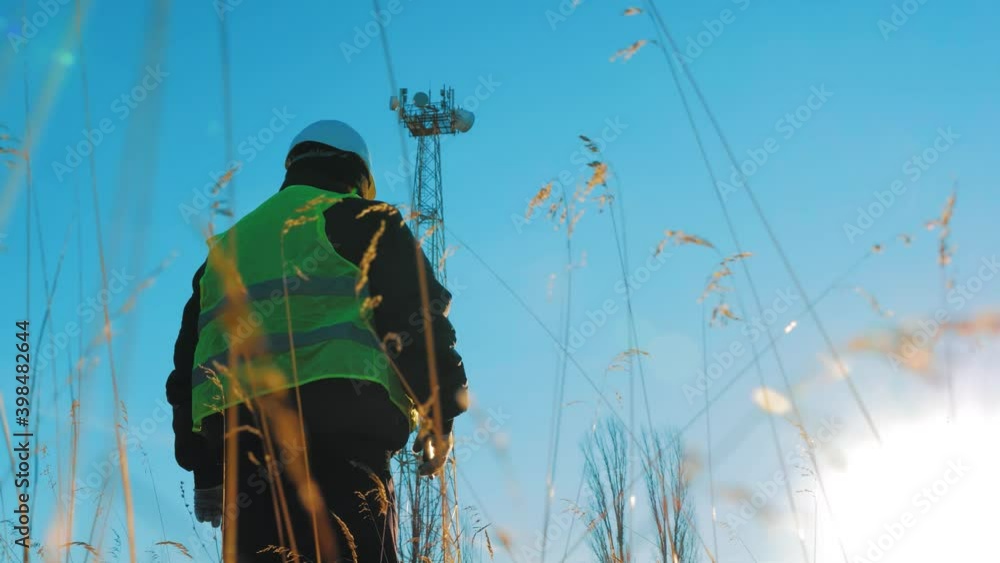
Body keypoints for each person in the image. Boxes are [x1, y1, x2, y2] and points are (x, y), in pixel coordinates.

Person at [165, 120, 469, 562]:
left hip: (244, 454)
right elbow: (416, 316)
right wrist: (439, 410)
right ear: (359, 176)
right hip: (344, 440)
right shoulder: (366, 220)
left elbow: (190, 365)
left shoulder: (224, 250)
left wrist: (205, 468)